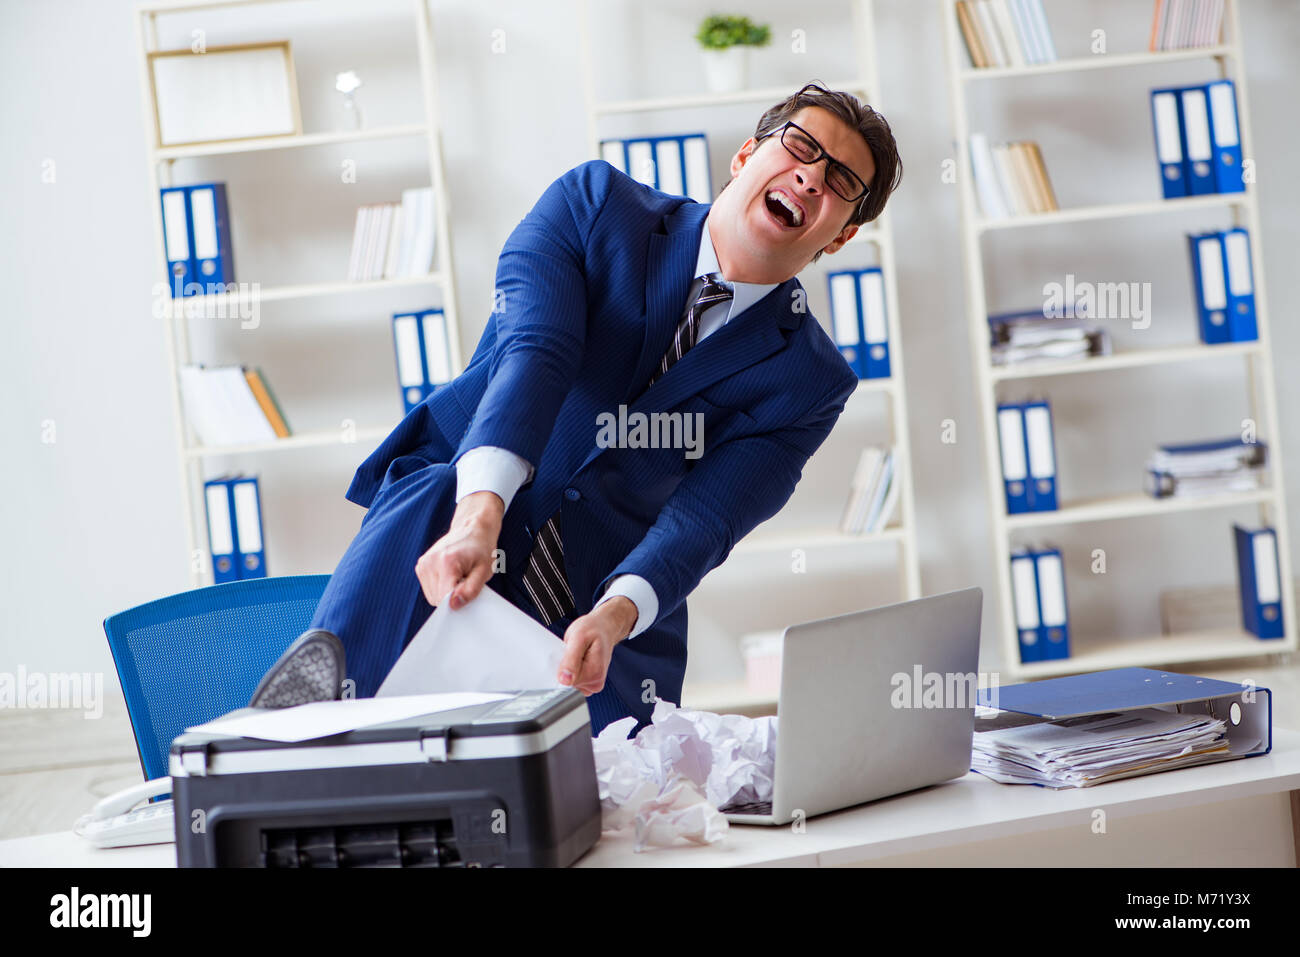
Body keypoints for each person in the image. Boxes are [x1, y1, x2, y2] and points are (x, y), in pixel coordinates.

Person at [249, 82, 903, 736]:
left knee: (607, 810)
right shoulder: (595, 206)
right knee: (331, 741)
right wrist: (479, 513)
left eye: (841, 179)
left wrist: (618, 610)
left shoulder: (810, 380)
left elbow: (707, 516)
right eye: (801, 147)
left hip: (601, 612)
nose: (812, 176)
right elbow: (539, 352)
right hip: (452, 525)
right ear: (744, 156)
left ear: (841, 236)